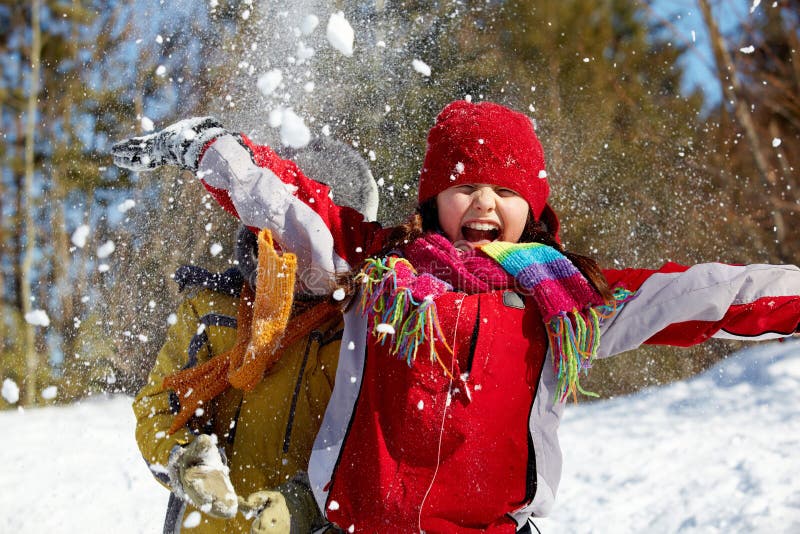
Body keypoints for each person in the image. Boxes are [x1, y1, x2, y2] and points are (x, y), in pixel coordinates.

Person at [114, 102, 800, 533]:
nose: (484, 203)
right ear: (433, 198)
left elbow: (704, 295)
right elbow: (291, 205)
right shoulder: (382, 270)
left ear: (533, 207)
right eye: (465, 186)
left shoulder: (564, 299)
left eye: (505, 190)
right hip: (359, 527)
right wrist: (210, 147)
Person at [130, 134, 378, 533]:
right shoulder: (213, 310)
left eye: (317, 232)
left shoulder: (358, 333)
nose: (298, 246)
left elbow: (364, 457)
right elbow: (156, 410)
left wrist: (301, 505)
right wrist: (184, 459)